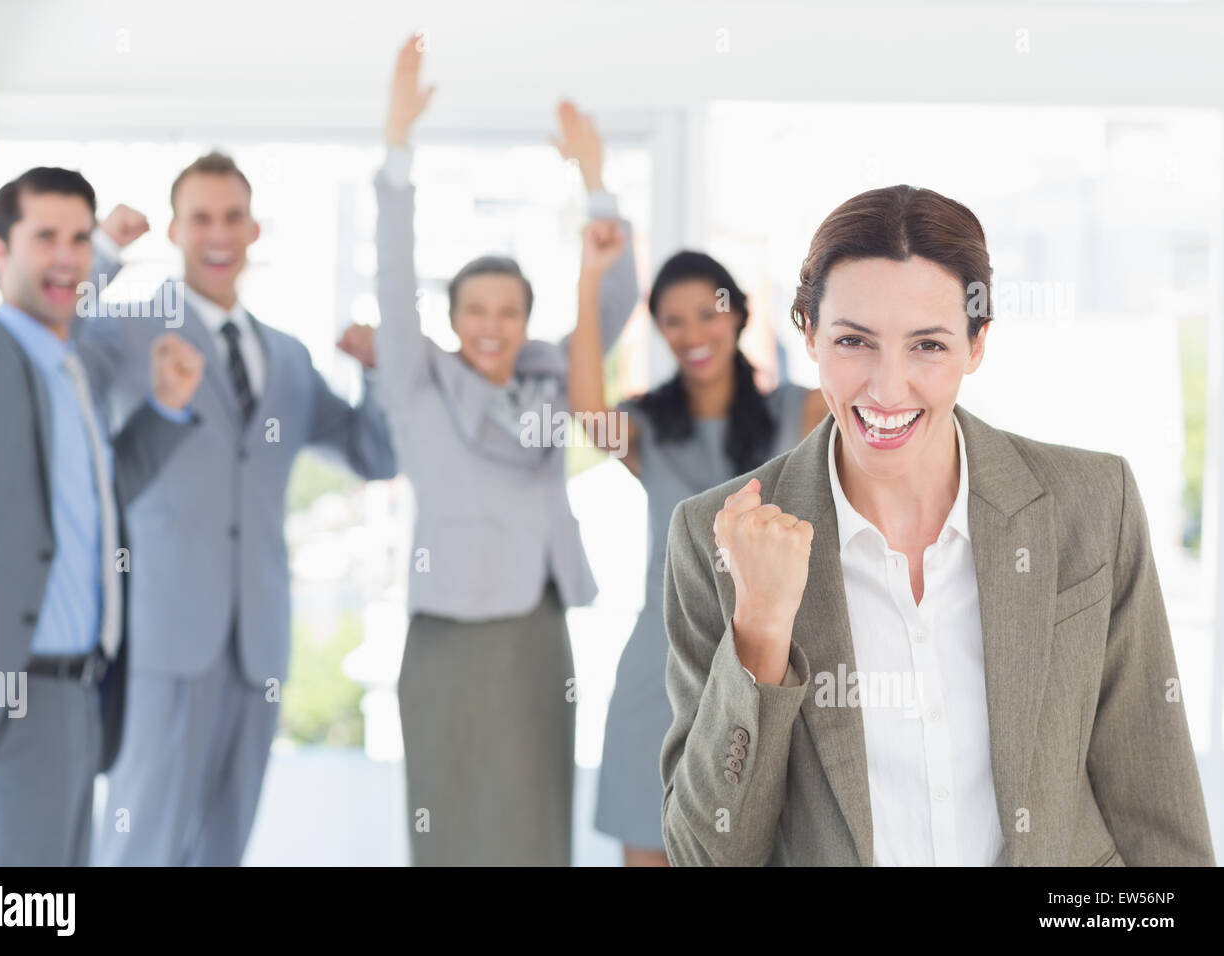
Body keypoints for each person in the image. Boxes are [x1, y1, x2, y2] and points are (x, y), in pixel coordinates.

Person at [660, 183, 1216, 866]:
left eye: (927, 345)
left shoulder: (1094, 503)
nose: (888, 389)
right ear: (808, 333)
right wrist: (762, 632)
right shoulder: (713, 538)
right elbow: (705, 854)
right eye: (854, 341)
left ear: (977, 342)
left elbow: (1155, 806)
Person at [77, 151, 398, 866]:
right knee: (138, 840)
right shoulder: (130, 328)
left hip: (258, 642)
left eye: (232, 217)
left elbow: (374, 456)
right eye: (200, 218)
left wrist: (378, 372)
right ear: (173, 229)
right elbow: (55, 341)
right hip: (161, 638)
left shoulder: (285, 357)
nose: (217, 234)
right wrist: (101, 255)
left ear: (254, 229)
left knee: (225, 845)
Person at [377, 35, 639, 865]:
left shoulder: (552, 380)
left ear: (526, 321)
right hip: (448, 633)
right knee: (450, 823)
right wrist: (396, 149)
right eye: (475, 310)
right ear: (452, 320)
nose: (492, 327)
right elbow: (390, 275)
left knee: (534, 826)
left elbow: (615, 298)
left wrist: (596, 183)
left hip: (535, 626)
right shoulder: (419, 386)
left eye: (508, 312)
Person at [0, 125, 204, 865]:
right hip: (7, 692)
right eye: (44, 235)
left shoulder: (71, 366)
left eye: (80, 238)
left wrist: (168, 410)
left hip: (82, 694)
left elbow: (102, 502)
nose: (65, 255)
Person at [568, 247, 826, 865]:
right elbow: (581, 410)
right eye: (671, 321)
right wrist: (589, 280)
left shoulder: (798, 414)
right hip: (656, 671)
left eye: (706, 314)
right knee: (649, 842)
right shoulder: (646, 428)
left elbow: (867, 389)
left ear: (739, 315)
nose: (691, 334)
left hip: (767, 669)